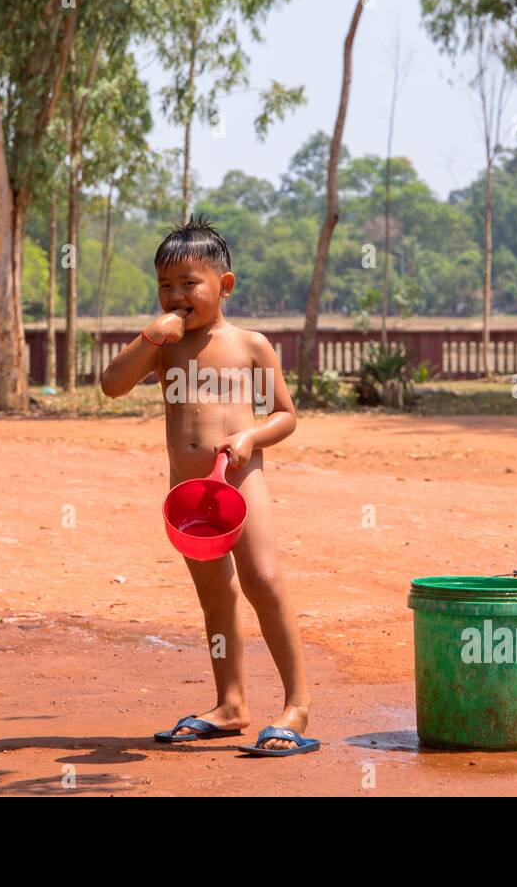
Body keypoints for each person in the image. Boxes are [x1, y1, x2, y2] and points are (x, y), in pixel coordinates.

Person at [100, 215, 318, 756]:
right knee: (216, 598)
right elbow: (111, 386)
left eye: (189, 284)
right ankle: (231, 704)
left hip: (242, 484)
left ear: (224, 285)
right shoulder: (164, 347)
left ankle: (296, 706)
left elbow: (286, 417)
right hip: (191, 497)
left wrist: (250, 436)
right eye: (164, 286)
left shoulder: (250, 346)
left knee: (264, 580)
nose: (176, 296)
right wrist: (153, 334)